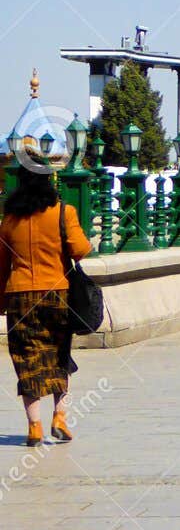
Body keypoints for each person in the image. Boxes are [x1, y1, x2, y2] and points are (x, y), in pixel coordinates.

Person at [1, 166, 93, 447]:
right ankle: (60, 418)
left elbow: (2, 265)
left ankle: (34, 427)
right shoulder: (63, 212)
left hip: (20, 297)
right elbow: (81, 249)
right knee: (59, 356)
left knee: (27, 360)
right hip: (58, 293)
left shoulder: (10, 220)